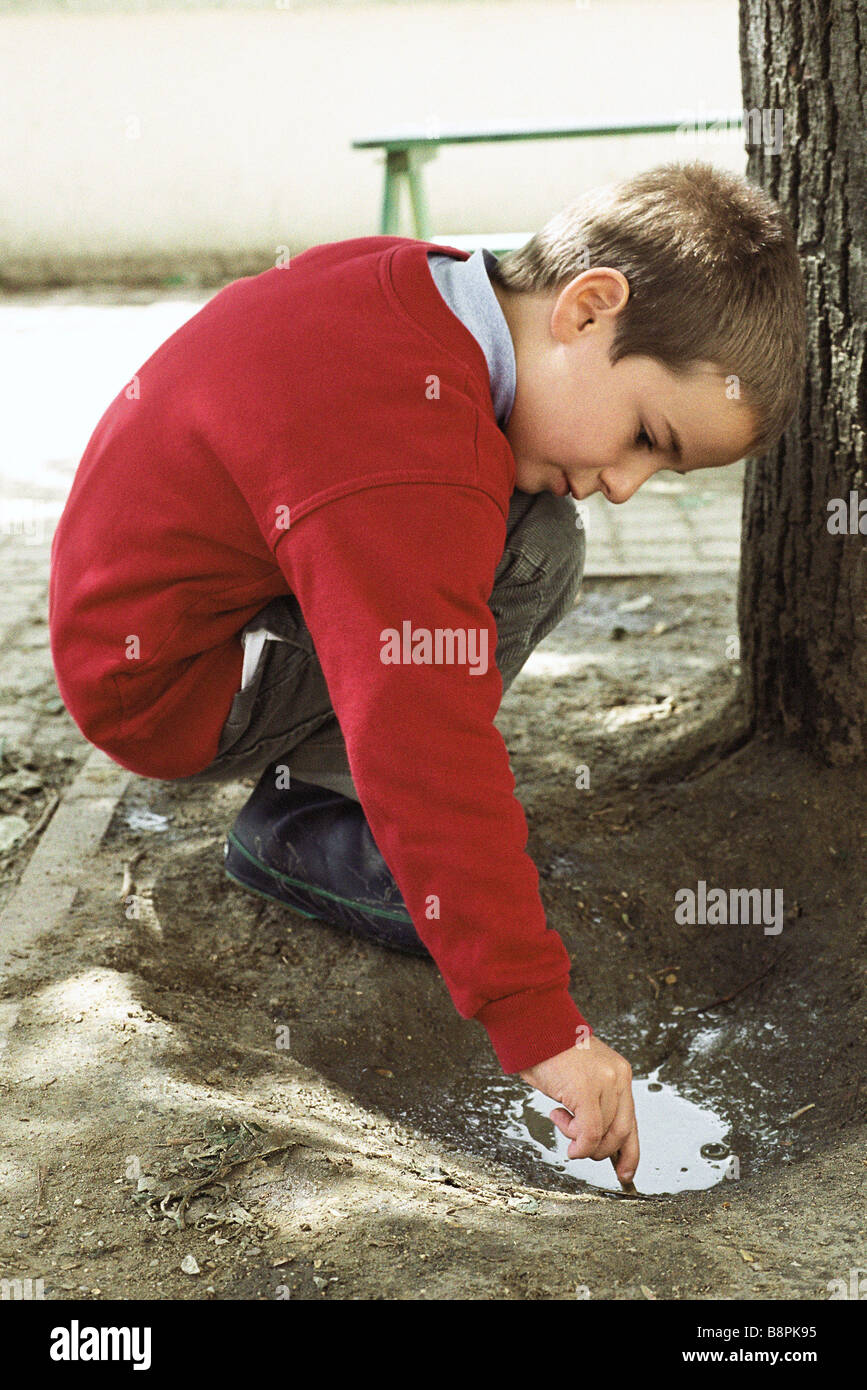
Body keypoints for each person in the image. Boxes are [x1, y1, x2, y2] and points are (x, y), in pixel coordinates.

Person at [49, 161, 805, 1187]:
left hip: (181, 616)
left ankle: (319, 790)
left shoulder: (434, 285)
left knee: (536, 527)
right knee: (533, 550)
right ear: (588, 308)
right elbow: (424, 732)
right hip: (167, 683)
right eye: (645, 437)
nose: (628, 484)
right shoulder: (413, 444)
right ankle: (305, 824)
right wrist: (544, 1026)